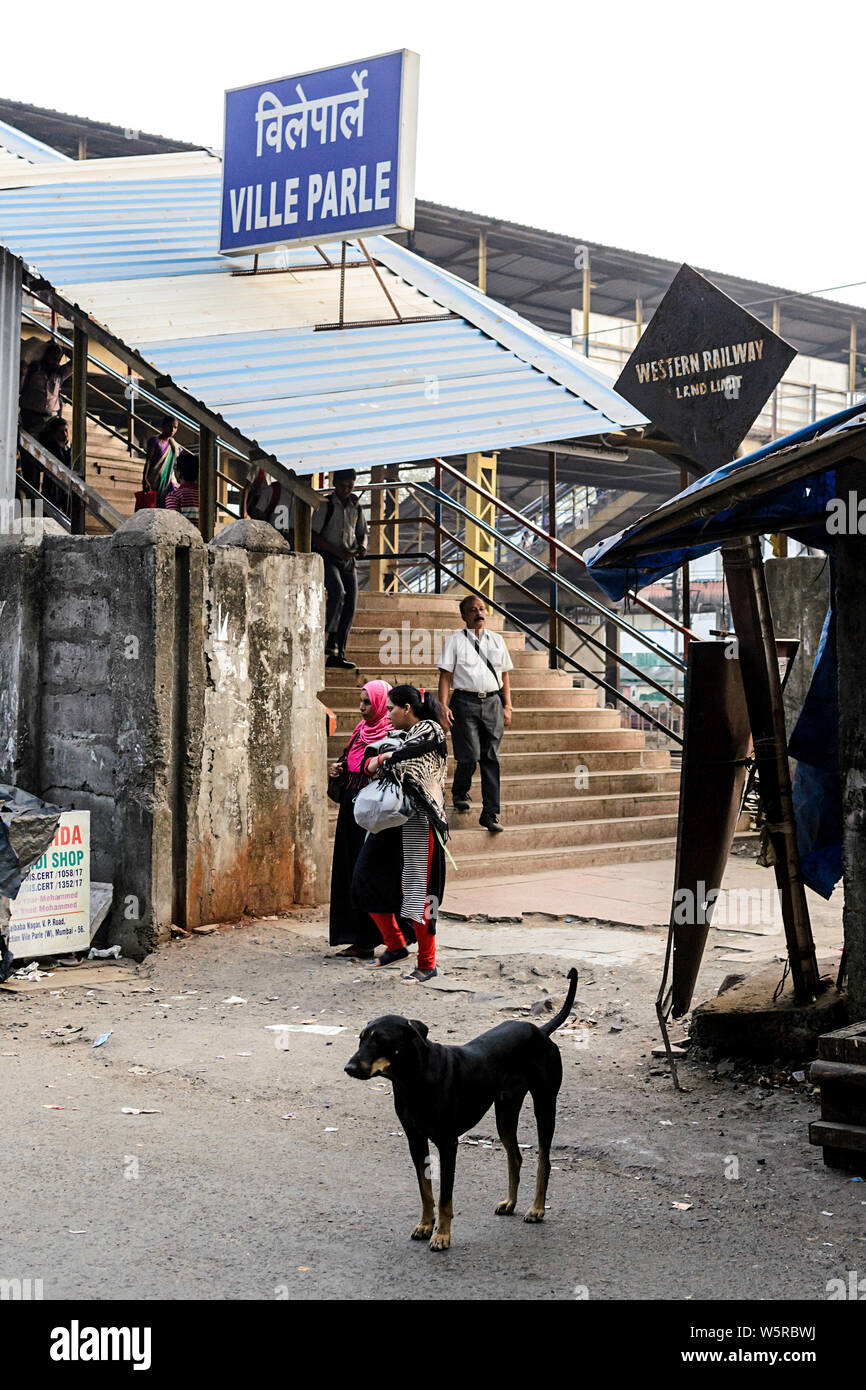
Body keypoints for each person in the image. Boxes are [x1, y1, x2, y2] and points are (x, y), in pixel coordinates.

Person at [352, 684, 448, 982]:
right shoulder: (398, 735)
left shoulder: (431, 730)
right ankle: (395, 945)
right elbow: (365, 765)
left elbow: (391, 760)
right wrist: (381, 759)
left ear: (407, 708)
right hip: (391, 819)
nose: (388, 714)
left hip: (421, 821)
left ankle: (427, 963)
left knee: (421, 893)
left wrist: (382, 758)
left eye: (392, 708)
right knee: (363, 879)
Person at [328, 680, 394, 960]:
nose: (362, 708)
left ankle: (373, 939)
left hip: (372, 814)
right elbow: (349, 761)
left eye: (368, 702)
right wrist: (338, 769)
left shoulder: (390, 735)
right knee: (347, 870)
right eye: (361, 701)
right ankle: (355, 938)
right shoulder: (359, 731)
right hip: (350, 810)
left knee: (365, 873)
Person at [437, 594, 514, 833]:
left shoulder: (498, 640)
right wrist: (443, 706)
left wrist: (508, 705)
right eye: (473, 610)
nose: (479, 613)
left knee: (490, 757)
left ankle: (490, 813)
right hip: (464, 702)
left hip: (492, 702)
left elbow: (505, 676)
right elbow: (445, 676)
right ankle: (460, 791)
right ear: (464, 615)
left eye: (482, 609)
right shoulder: (454, 641)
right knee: (469, 755)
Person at [311, 469, 367, 669]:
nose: (346, 490)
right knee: (338, 593)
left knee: (350, 603)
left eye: (350, 486)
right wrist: (336, 551)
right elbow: (314, 535)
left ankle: (337, 653)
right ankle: (323, 634)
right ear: (335, 484)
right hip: (329, 557)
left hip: (348, 561)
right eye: (343, 486)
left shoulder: (356, 507)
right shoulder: (325, 505)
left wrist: (362, 547)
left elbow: (362, 533)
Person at [19, 342, 73, 436]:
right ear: (46, 355)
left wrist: (64, 348)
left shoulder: (59, 374)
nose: (56, 362)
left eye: (58, 359)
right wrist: (23, 374)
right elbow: (20, 389)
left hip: (51, 418)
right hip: (30, 415)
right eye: (53, 358)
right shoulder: (33, 369)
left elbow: (78, 360)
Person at [244, 465, 295, 545]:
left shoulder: (299, 495)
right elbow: (247, 488)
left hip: (289, 534)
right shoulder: (272, 489)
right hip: (274, 532)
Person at [143, 415, 182, 507]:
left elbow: (174, 466)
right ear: (163, 426)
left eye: (175, 427)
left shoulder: (175, 446)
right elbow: (148, 461)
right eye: (170, 426)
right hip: (154, 480)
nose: (172, 429)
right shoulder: (155, 441)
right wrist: (145, 479)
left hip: (168, 481)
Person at [165, 452, 200, 527]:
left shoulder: (174, 496)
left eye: (175, 468)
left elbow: (173, 524)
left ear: (179, 472)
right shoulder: (207, 498)